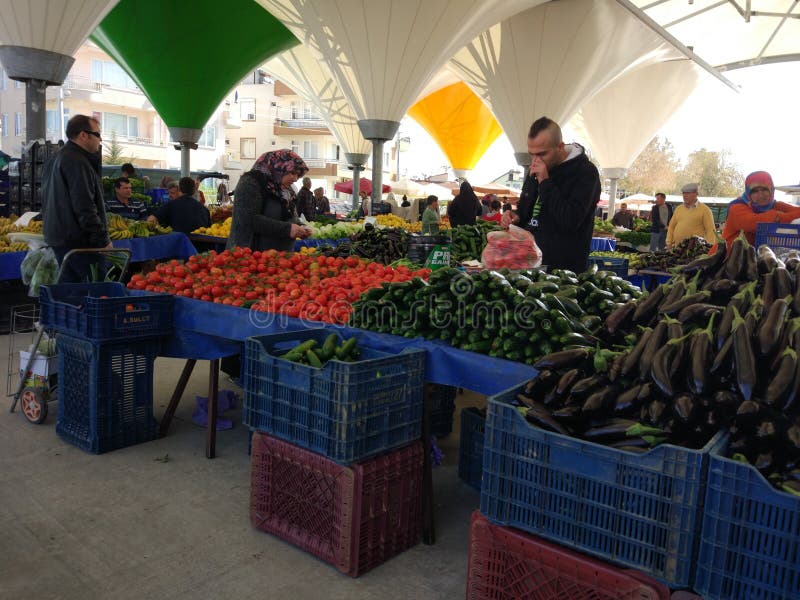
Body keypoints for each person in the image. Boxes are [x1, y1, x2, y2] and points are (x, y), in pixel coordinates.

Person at [501, 116, 601, 273]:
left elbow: (570, 220)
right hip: (528, 264)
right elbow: (526, 209)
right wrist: (516, 216)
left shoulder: (585, 172)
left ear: (560, 147)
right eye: (531, 154)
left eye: (541, 154)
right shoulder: (536, 169)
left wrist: (545, 182)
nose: (535, 160)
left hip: (563, 272)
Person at [41, 114, 111, 281]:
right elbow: (84, 206)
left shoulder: (56, 158)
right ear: (83, 135)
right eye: (98, 134)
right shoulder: (77, 161)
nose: (100, 140)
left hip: (60, 240)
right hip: (79, 244)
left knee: (71, 295)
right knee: (93, 292)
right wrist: (102, 240)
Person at [227, 149, 312, 252]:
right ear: (278, 166)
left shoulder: (286, 190)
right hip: (250, 257)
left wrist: (301, 227)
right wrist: (288, 229)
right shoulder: (250, 183)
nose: (295, 179)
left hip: (279, 258)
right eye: (292, 173)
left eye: (298, 175)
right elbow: (249, 220)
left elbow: (290, 217)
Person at [722, 171, 800, 249]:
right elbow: (756, 223)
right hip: (726, 258)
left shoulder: (775, 205)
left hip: (756, 256)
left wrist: (778, 217)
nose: (760, 194)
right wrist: (777, 216)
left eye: (764, 189)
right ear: (748, 192)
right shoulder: (736, 208)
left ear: (771, 189)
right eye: (755, 191)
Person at [666, 182, 716, 248]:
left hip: (695, 250)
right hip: (677, 249)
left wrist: (709, 248)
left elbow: (710, 230)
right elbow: (671, 226)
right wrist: (669, 242)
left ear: (696, 194)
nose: (685, 195)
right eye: (683, 193)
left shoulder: (705, 210)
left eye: (688, 193)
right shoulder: (678, 208)